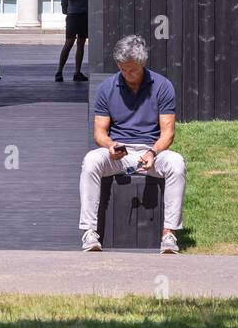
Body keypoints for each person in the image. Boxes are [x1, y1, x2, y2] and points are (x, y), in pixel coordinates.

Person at [78, 34, 185, 254]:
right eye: (123, 69)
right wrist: (110, 145)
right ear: (118, 64)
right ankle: (89, 231)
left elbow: (168, 132)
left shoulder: (162, 86)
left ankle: (169, 234)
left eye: (133, 69)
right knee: (90, 161)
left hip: (152, 151)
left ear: (143, 63)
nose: (128, 74)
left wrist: (153, 151)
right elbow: (99, 132)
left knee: (176, 163)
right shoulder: (107, 88)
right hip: (120, 152)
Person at [55, 0, 88, 82]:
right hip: (73, 14)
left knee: (81, 43)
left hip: (84, 15)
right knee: (69, 42)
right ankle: (59, 71)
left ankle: (77, 72)